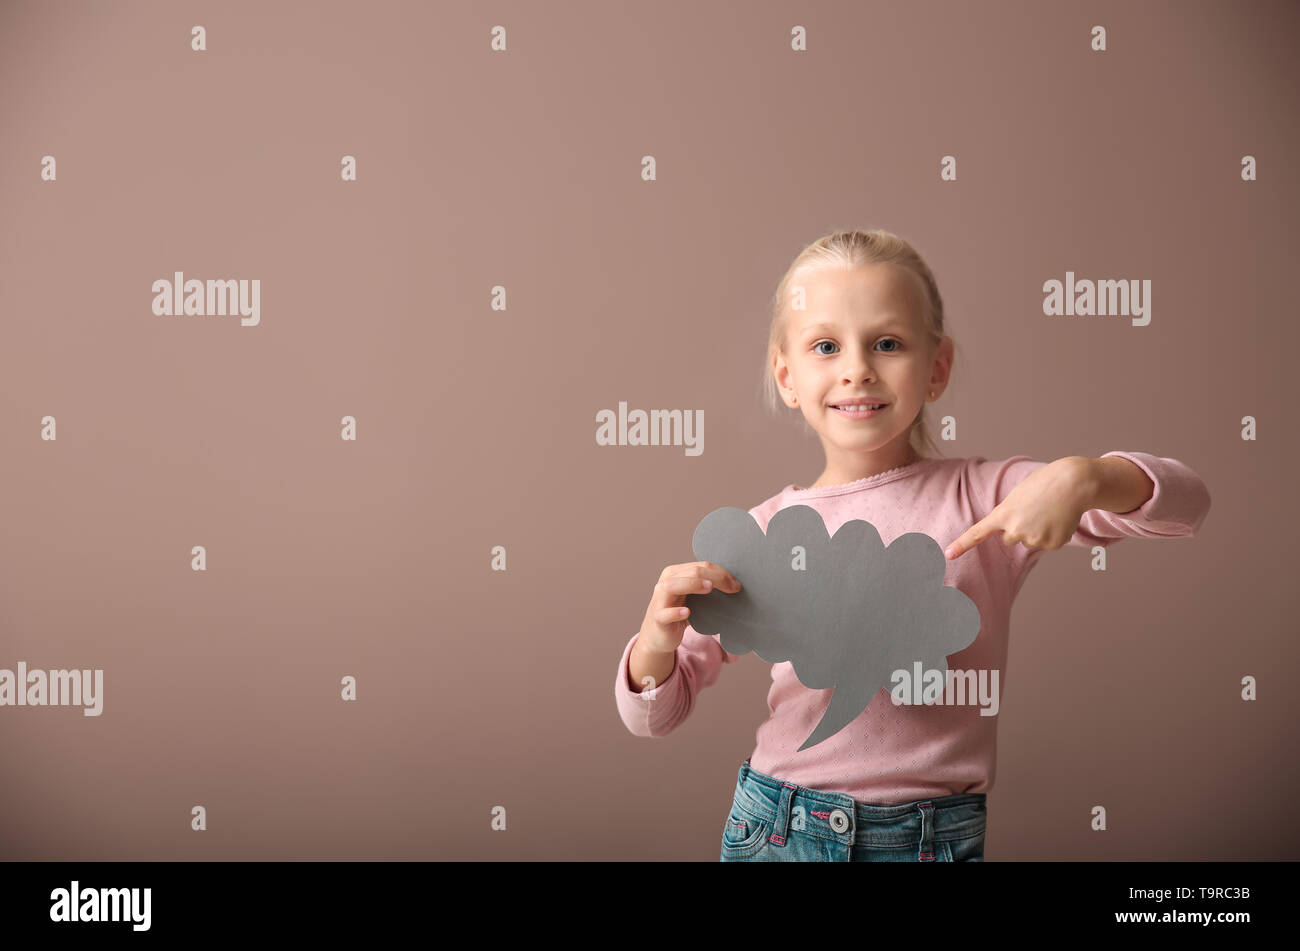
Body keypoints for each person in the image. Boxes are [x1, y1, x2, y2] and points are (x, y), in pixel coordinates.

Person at [612, 228, 1212, 862]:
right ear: (787, 376)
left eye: (888, 343)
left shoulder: (987, 497)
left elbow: (1187, 505)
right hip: (777, 828)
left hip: (928, 840)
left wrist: (1085, 477)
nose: (857, 369)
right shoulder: (761, 534)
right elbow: (657, 713)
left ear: (937, 368)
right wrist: (655, 641)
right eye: (825, 346)